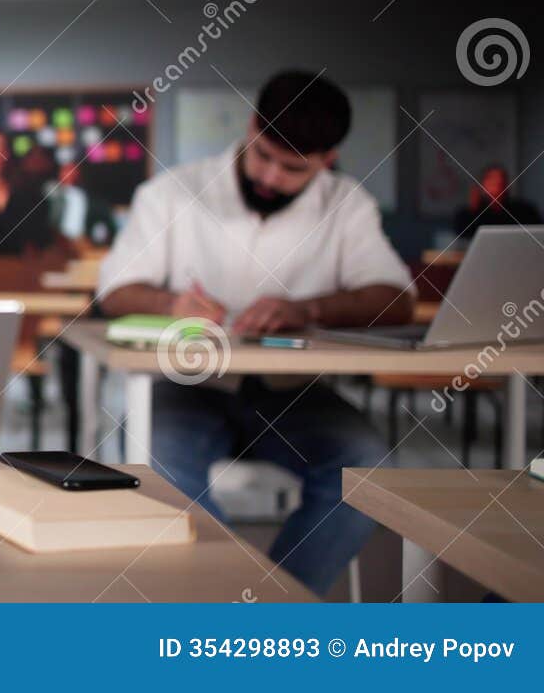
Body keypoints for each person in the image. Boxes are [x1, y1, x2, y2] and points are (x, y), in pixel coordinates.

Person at [96, 69, 415, 597]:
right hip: (186, 387)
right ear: (250, 126)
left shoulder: (346, 205)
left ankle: (270, 617)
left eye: (292, 169)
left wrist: (308, 308)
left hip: (293, 398)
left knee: (367, 469)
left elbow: (396, 297)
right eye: (262, 154)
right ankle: (232, 613)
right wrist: (173, 304)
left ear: (327, 161)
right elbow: (117, 293)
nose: (269, 177)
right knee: (155, 469)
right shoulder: (172, 192)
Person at [451, 163, 542, 239]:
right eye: (492, 182)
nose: (497, 185)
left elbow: (538, 235)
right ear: (481, 186)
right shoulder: (467, 214)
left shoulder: (525, 210)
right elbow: (462, 241)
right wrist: (473, 209)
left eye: (501, 182)